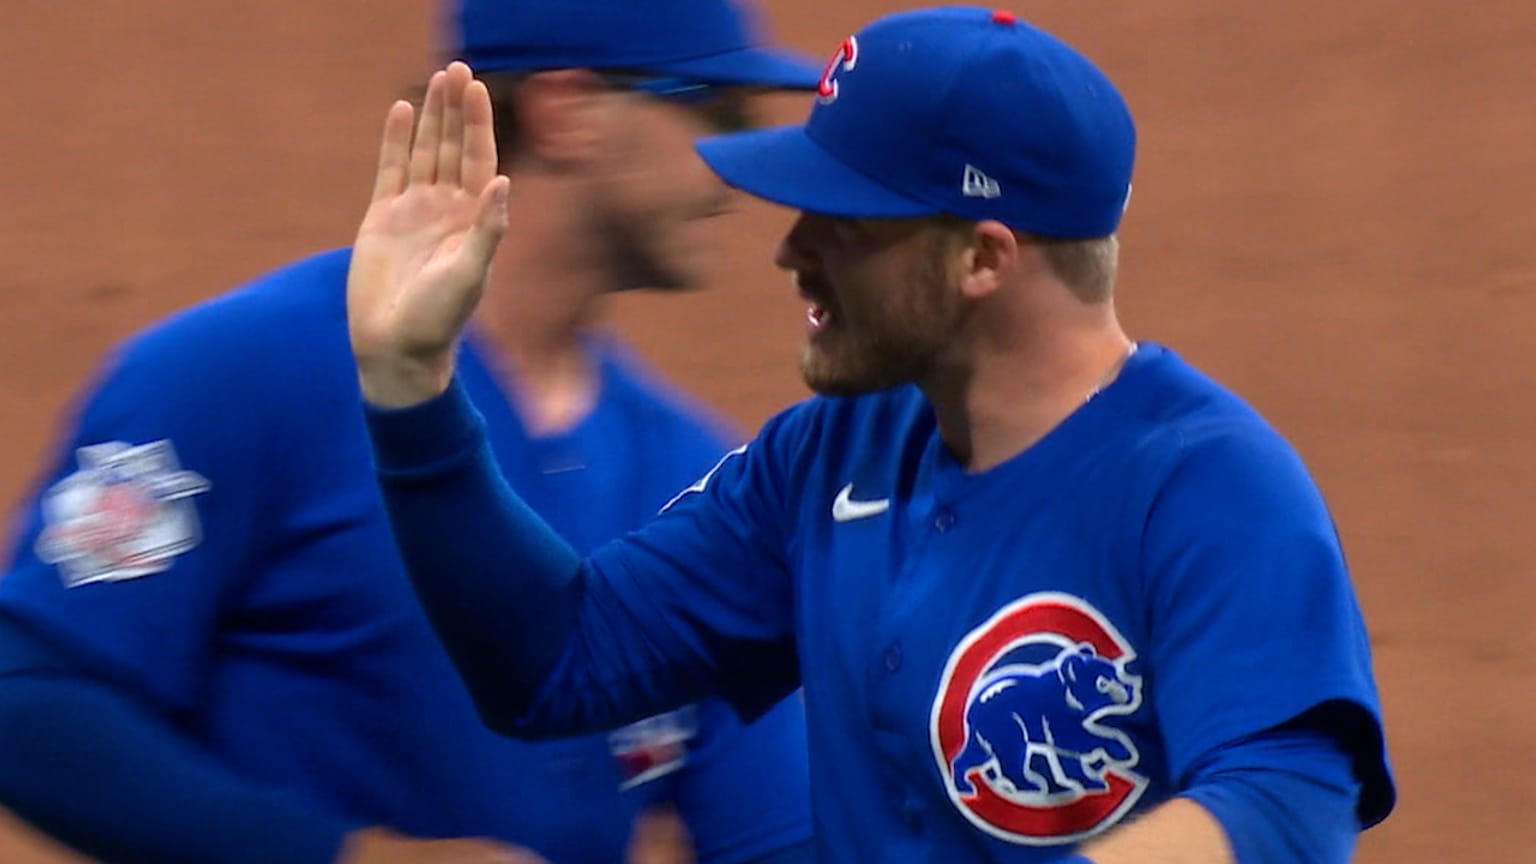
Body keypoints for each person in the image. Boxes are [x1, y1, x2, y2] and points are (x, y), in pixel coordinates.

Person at [347, 6, 1399, 864]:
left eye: (845, 222)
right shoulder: (827, 459)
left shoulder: (1208, 488)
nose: (792, 250)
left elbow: (1287, 810)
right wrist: (411, 388)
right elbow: (554, 664)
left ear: (983, 259)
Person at [0, 1, 822, 862]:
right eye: (717, 111)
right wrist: (343, 858)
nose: (736, 172)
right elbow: (28, 694)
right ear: (568, 111)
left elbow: (775, 838)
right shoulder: (239, 373)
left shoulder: (695, 472)